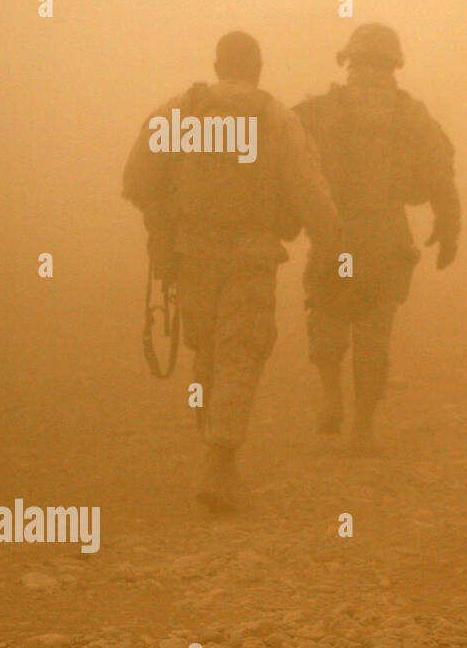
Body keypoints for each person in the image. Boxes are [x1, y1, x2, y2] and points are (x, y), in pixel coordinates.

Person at [123, 31, 340, 510]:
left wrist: (165, 217)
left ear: (218, 64)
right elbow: (310, 192)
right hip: (251, 252)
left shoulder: (181, 109)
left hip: (192, 251)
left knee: (207, 350)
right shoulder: (276, 116)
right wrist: (330, 240)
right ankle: (220, 463)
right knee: (240, 349)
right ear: (258, 68)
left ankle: (213, 444)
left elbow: (135, 178)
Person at [295, 23, 460, 455]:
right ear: (394, 63)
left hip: (335, 232)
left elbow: (284, 156)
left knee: (327, 312)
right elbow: (441, 169)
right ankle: (363, 429)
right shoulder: (410, 113)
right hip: (385, 234)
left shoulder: (320, 108)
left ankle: (332, 396)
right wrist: (448, 228)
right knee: (373, 331)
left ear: (349, 60)